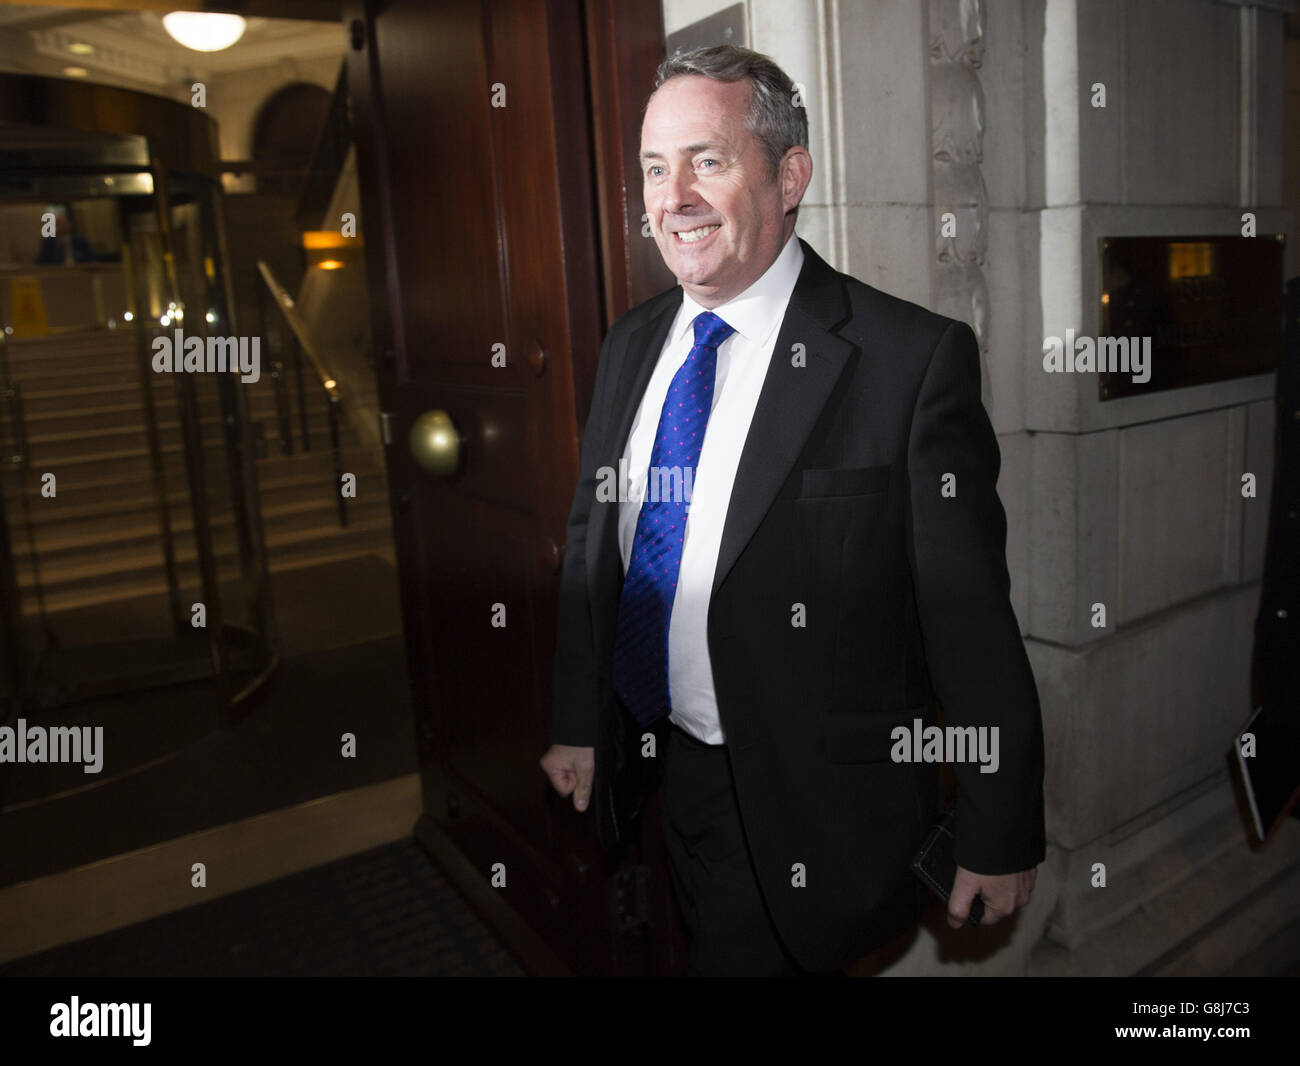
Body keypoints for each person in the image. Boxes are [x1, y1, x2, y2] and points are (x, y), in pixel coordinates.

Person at [540, 44, 1044, 977]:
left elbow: (967, 614)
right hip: (648, 767)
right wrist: (580, 717)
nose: (673, 196)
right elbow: (591, 542)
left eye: (709, 160)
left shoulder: (907, 362)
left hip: (801, 803)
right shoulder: (631, 344)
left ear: (789, 175)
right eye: (655, 167)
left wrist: (998, 822)